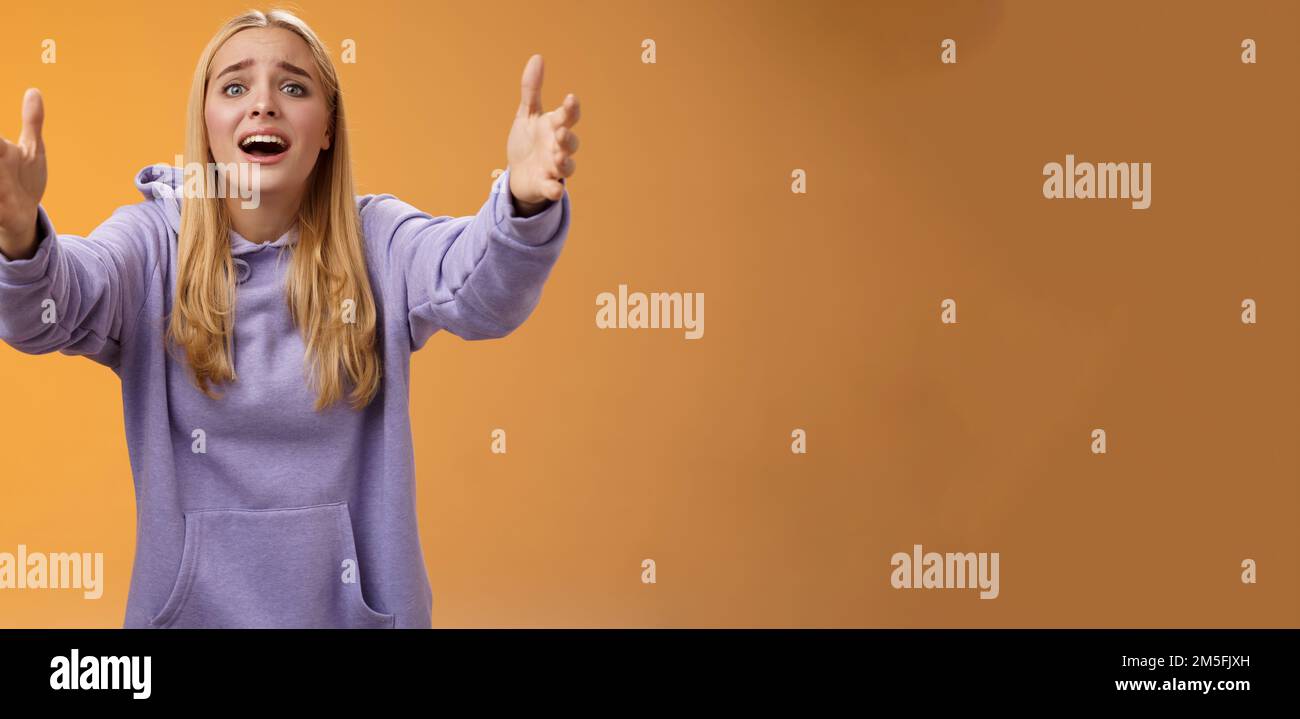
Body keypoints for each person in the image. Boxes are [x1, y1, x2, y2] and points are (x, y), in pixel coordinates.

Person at [0, 8, 581, 628]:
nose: (263, 105)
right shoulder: (150, 247)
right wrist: (19, 237)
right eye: (233, 86)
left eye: (294, 86)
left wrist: (518, 203)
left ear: (327, 128)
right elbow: (49, 312)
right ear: (206, 121)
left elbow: (478, 289)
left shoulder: (378, 241)